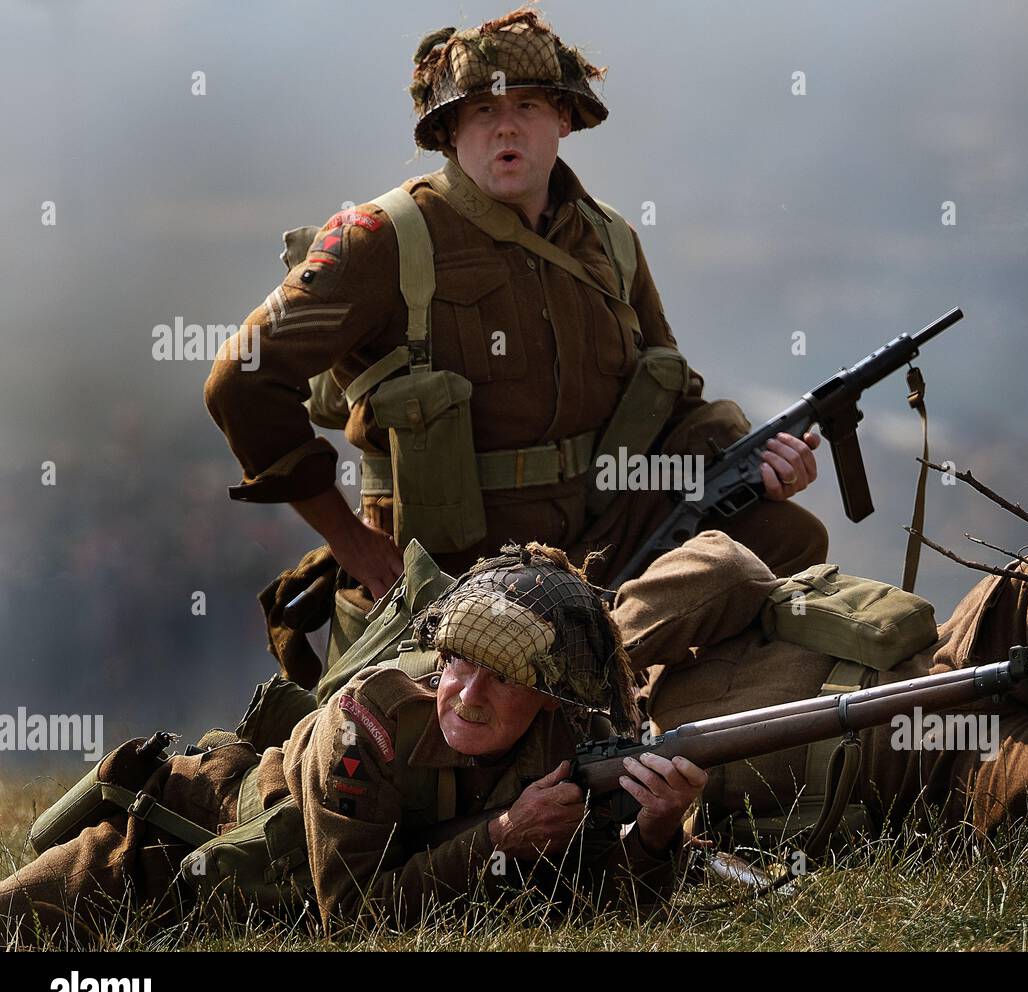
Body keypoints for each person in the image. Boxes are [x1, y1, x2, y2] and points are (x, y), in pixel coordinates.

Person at [202, 7, 828, 683]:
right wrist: (351, 543)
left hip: (597, 553)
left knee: (782, 538)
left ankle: (688, 732)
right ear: (448, 132)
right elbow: (241, 379)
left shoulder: (611, 241)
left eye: (527, 104)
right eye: (480, 110)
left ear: (564, 118)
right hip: (452, 579)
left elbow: (673, 397)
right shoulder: (384, 238)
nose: (505, 125)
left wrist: (757, 460)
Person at [0, 544, 706, 944]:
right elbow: (353, 918)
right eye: (458, 661)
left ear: (552, 694)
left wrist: (656, 829)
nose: (466, 693)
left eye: (502, 678)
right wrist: (500, 835)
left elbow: (604, 906)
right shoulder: (366, 722)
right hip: (191, 842)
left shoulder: (574, 734)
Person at [614, 514, 1028, 858]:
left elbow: (726, 561)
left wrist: (607, 658)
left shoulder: (639, 650)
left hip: (960, 646)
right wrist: (654, 828)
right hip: (939, 772)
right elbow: (636, 896)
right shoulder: (571, 815)